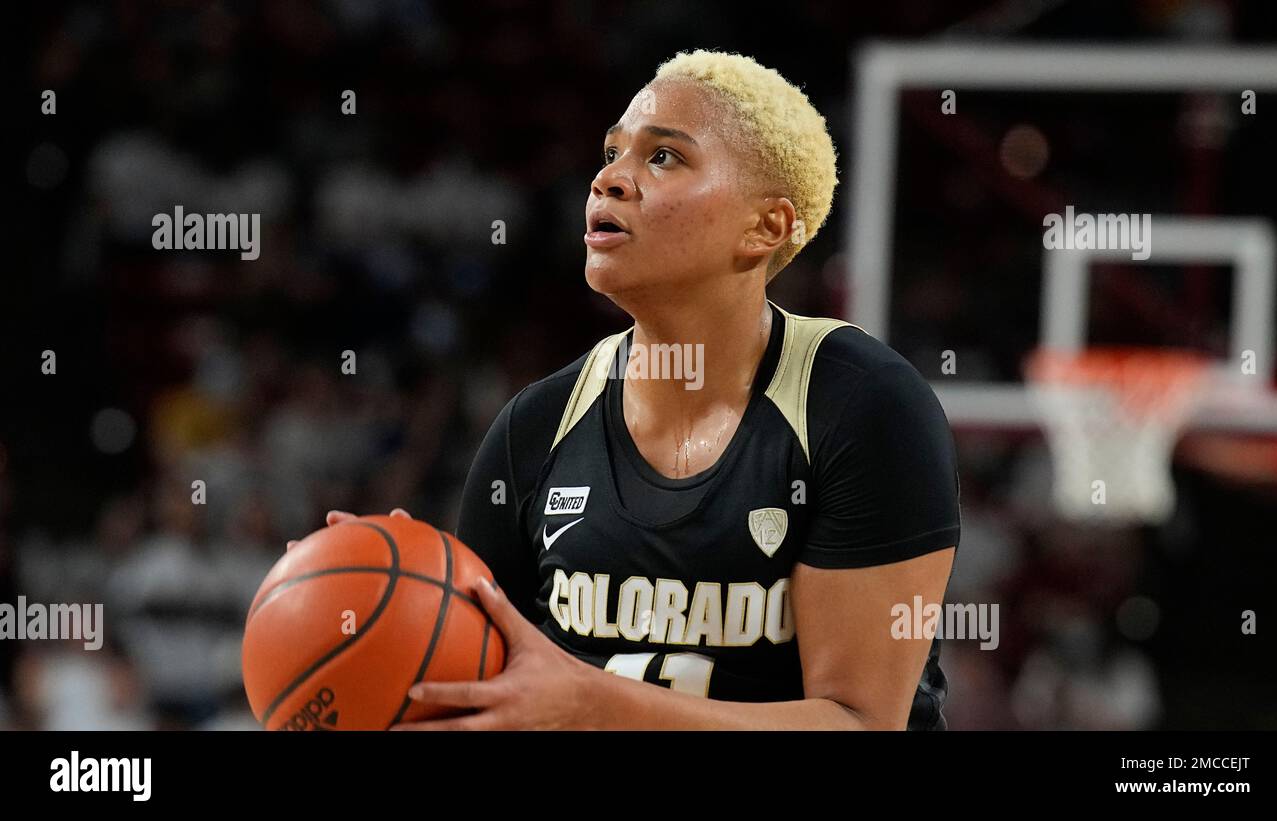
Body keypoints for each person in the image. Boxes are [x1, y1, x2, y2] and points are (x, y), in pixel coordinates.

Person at [297, 50, 960, 729]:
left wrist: (595, 705)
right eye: (611, 153)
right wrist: (405, 591)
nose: (609, 180)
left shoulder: (863, 404)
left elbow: (861, 722)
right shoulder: (536, 425)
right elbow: (483, 689)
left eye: (663, 157)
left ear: (765, 227)